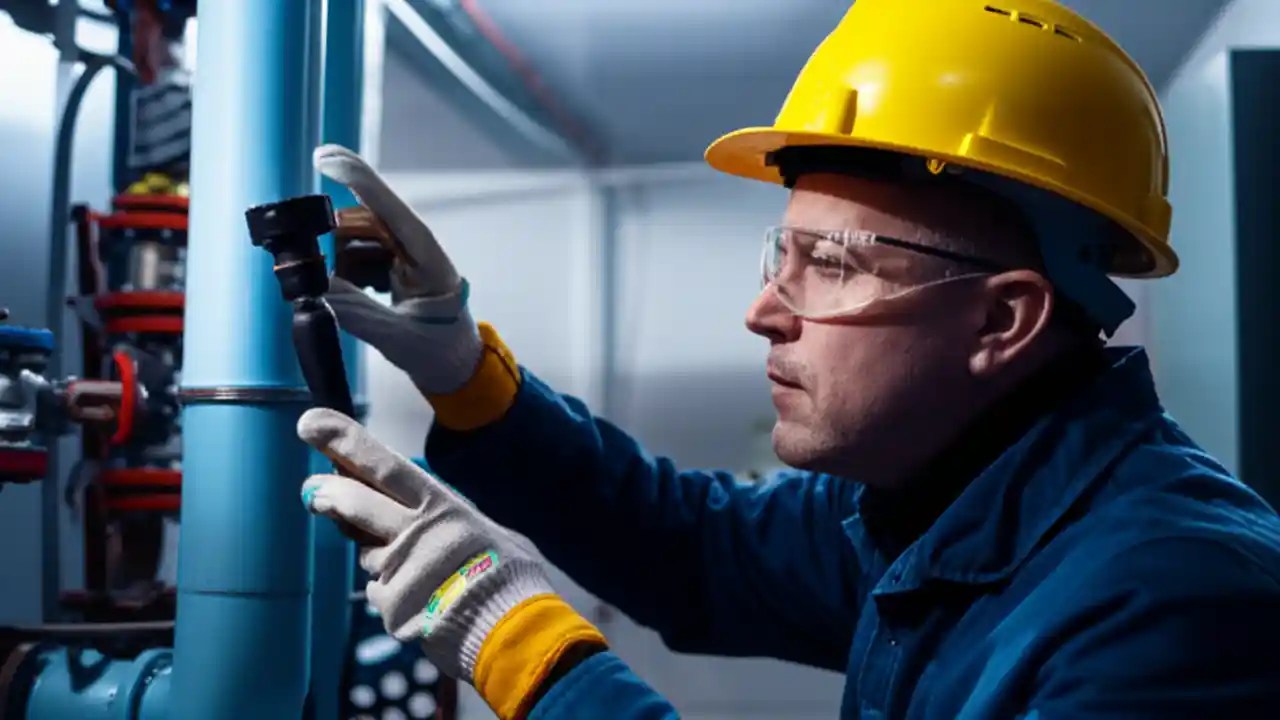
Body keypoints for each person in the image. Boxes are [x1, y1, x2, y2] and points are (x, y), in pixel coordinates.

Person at [295, 1, 1280, 718]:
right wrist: (466, 375)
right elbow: (693, 550)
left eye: (832, 265)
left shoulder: (1173, 607)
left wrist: (528, 654)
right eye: (783, 255)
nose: (763, 312)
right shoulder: (928, 495)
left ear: (1002, 320)